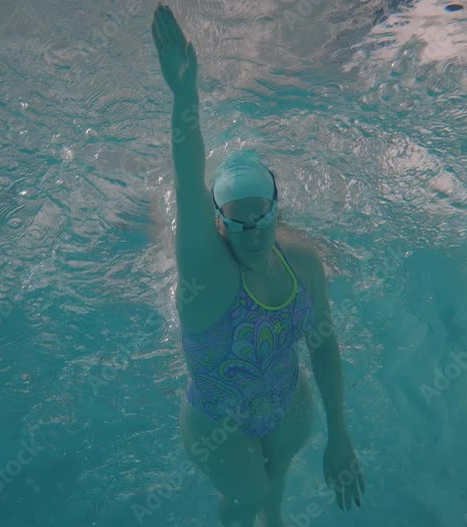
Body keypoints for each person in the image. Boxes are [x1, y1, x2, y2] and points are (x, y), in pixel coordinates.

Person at [151, 4, 365, 526]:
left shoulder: (302, 262)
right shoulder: (209, 279)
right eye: (235, 223)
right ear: (219, 223)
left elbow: (324, 343)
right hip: (217, 428)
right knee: (247, 500)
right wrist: (185, 97)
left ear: (276, 209)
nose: (251, 233)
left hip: (288, 409)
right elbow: (187, 180)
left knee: (275, 498)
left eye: (261, 218)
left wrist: (339, 435)